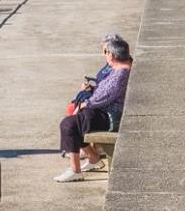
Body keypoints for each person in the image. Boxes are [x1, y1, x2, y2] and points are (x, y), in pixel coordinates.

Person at [55, 39, 132, 182]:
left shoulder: (121, 74)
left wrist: (84, 104)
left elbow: (103, 97)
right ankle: (93, 158)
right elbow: (104, 93)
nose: (105, 55)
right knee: (77, 121)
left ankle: (75, 171)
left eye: (106, 52)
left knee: (68, 124)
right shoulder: (120, 68)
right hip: (106, 112)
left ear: (113, 55)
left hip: (111, 117)